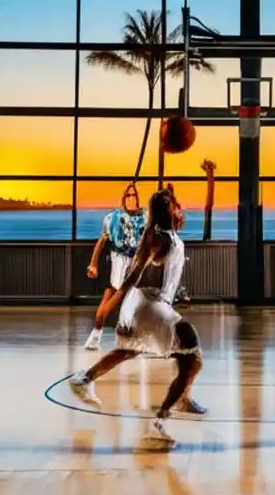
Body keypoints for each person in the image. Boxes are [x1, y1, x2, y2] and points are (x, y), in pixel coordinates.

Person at [66, 184, 207, 448]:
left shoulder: (169, 233)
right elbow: (132, 275)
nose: (182, 209)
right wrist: (117, 309)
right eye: (177, 206)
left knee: (129, 350)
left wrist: (192, 185)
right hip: (148, 304)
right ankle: (159, 423)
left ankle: (83, 379)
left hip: (154, 303)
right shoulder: (157, 237)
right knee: (192, 353)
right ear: (169, 211)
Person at [83, 183, 145, 351]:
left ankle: (135, 338)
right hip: (119, 263)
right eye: (128, 195)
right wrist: (93, 263)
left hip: (137, 264)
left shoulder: (145, 218)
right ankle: (95, 336)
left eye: (134, 195)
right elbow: (102, 241)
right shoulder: (112, 218)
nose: (131, 198)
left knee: (137, 304)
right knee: (109, 301)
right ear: (123, 197)